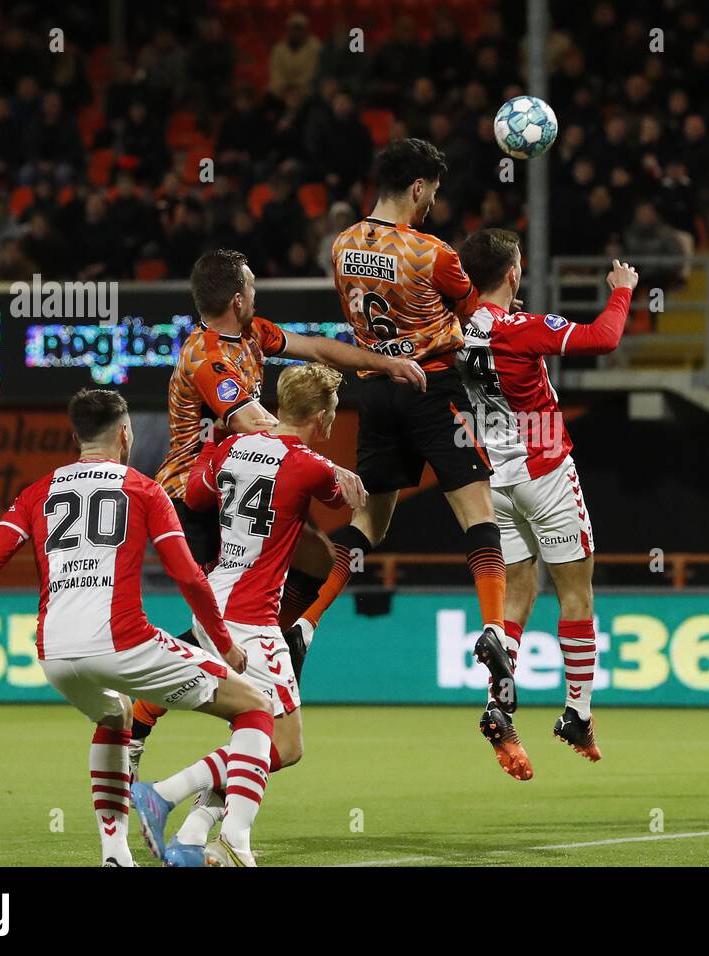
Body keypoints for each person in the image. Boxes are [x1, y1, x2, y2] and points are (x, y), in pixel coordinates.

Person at [0, 389, 275, 867]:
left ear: (75, 437)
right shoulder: (144, 488)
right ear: (125, 434)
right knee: (256, 708)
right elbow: (187, 574)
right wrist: (224, 644)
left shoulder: (36, 494)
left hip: (55, 654)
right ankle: (234, 840)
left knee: (114, 719)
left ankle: (115, 855)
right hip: (125, 642)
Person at [128, 249, 421, 775]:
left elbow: (316, 347)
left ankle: (290, 642)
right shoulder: (205, 355)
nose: (258, 292)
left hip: (244, 482)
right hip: (193, 496)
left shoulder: (254, 334)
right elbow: (251, 421)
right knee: (219, 618)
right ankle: (147, 712)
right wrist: (315, 462)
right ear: (237, 299)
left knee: (316, 559)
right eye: (253, 284)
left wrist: (385, 363)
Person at [306, 138, 523, 778]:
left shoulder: (342, 244)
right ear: (422, 187)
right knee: (477, 512)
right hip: (433, 389)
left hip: (375, 393)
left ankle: (312, 618)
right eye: (434, 190)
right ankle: (492, 628)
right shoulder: (433, 253)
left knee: (371, 518)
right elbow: (479, 313)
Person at [131, 364, 361, 866]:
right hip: (252, 621)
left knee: (254, 734)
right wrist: (346, 477)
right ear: (321, 417)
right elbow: (349, 500)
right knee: (285, 743)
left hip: (215, 605)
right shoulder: (311, 465)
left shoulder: (227, 450)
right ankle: (194, 813)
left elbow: (195, 495)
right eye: (332, 416)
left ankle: (193, 837)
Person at [455, 228, 637, 763]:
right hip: (546, 470)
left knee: (516, 595)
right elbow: (603, 337)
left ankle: (500, 708)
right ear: (514, 273)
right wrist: (622, 288)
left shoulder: (454, 331)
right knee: (575, 593)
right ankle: (578, 713)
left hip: (492, 480)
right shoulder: (519, 328)